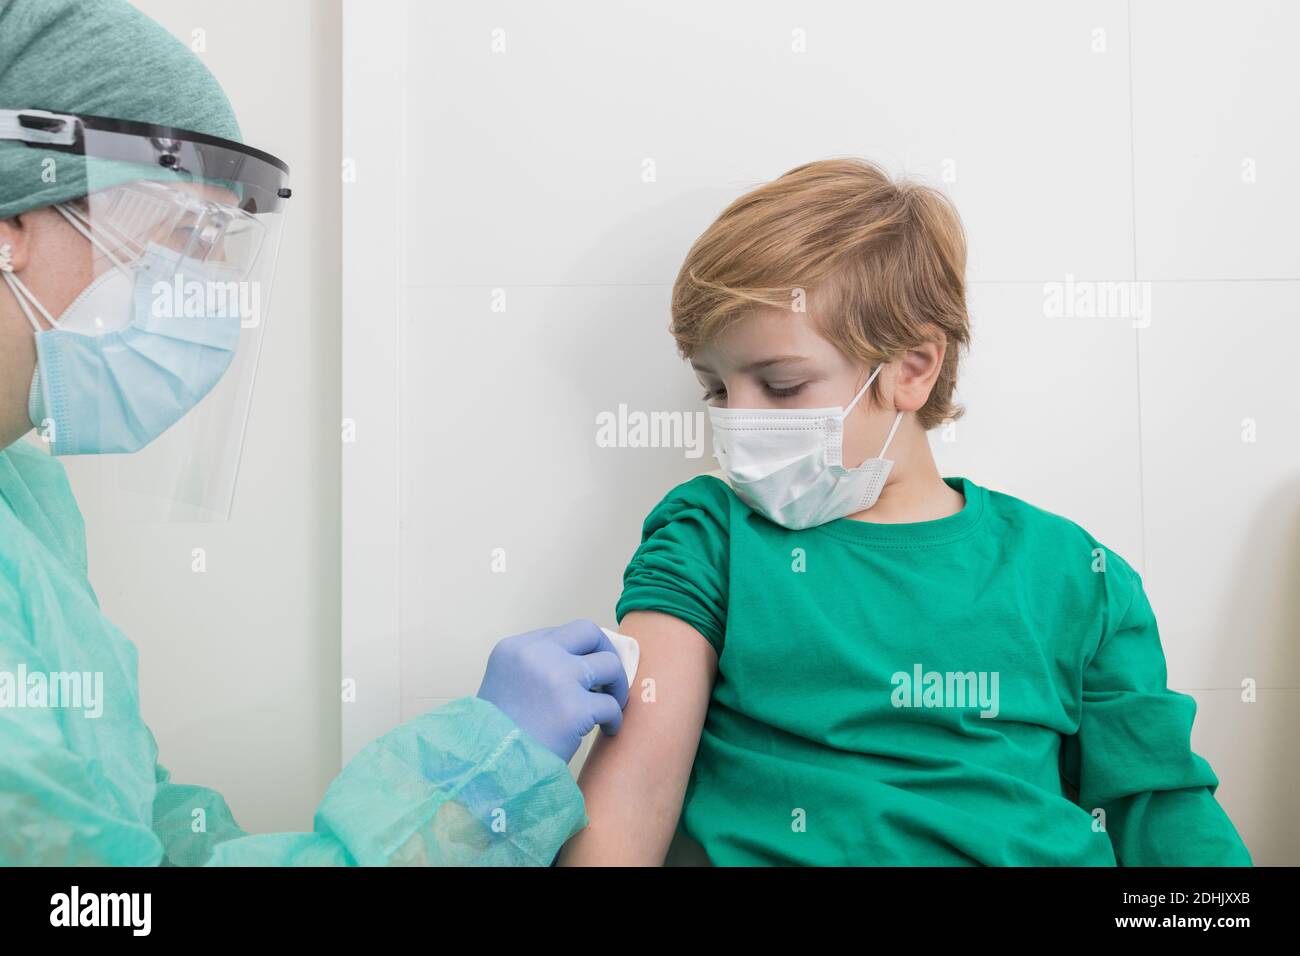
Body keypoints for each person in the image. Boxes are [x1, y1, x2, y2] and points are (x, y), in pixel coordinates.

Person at [0, 0, 625, 866]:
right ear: (13, 225)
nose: (205, 285)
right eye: (179, 234)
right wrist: (477, 782)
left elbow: (148, 846)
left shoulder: (27, 505)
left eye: (220, 243)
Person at [558, 158, 1254, 866]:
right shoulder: (710, 537)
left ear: (913, 368)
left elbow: (1161, 815)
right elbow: (626, 814)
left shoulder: (1077, 574)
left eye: (781, 384)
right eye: (715, 390)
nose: (739, 422)